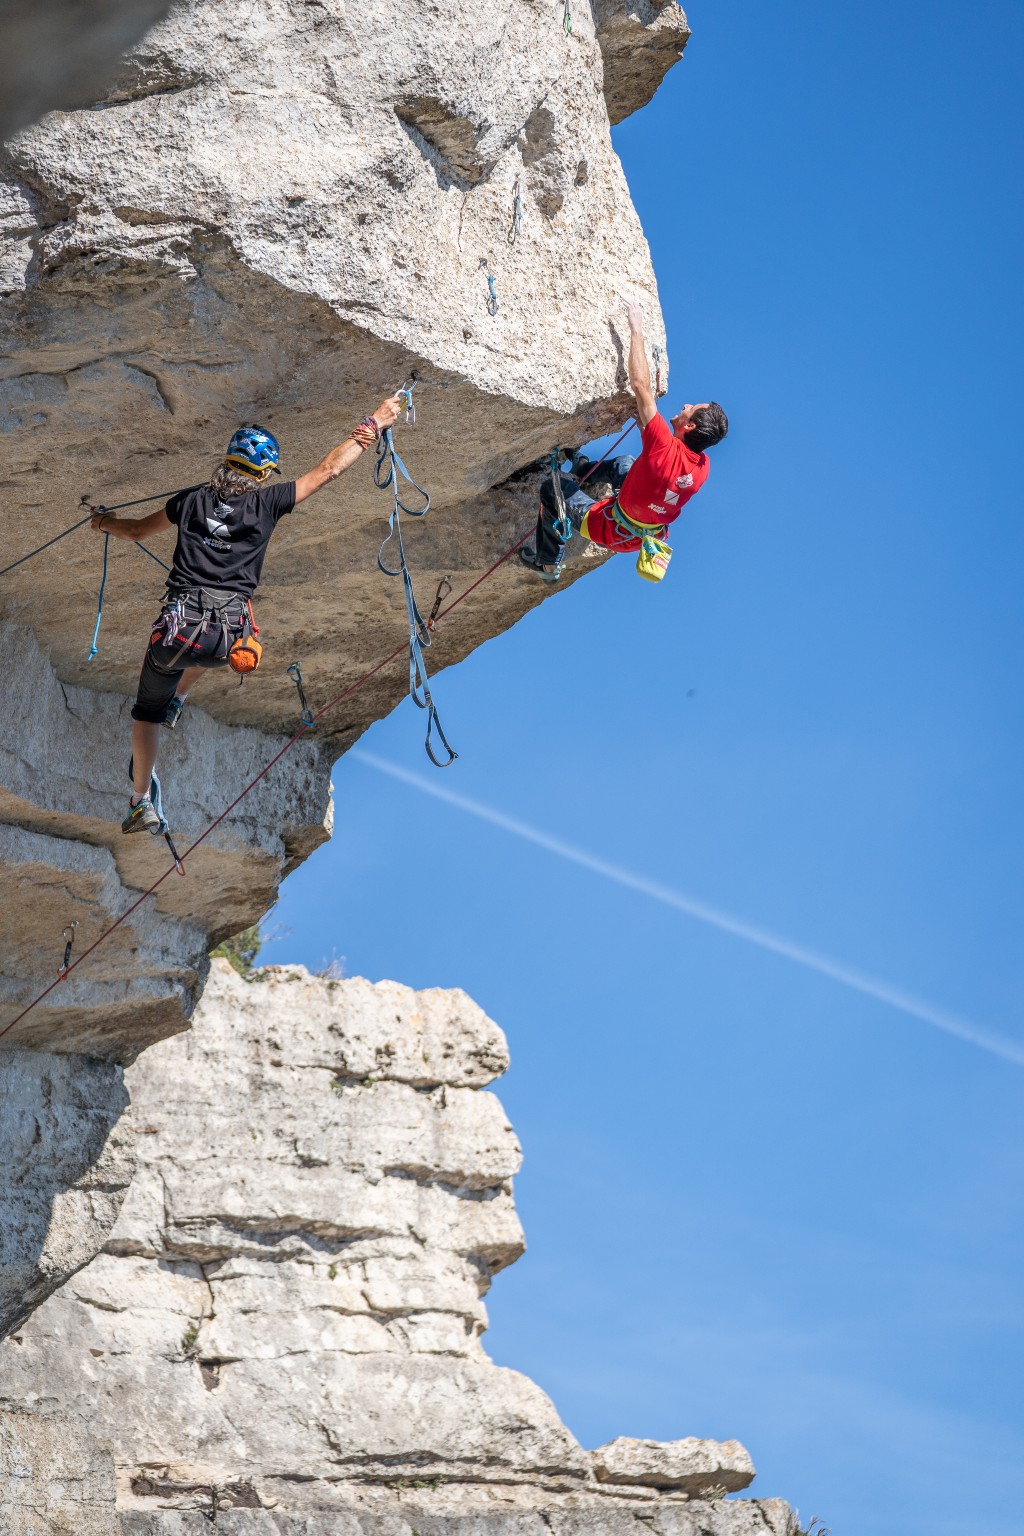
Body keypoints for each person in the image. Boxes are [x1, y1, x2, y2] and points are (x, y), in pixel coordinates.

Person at [91, 395, 404, 835]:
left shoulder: (189, 501)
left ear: (227, 459)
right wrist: (374, 423)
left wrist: (102, 522)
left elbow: (137, 530)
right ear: (265, 472)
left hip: (175, 631)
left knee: (147, 713)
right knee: (202, 656)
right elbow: (330, 469)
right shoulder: (268, 503)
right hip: (227, 642)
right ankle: (179, 700)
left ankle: (141, 800)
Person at [520, 299, 728, 580]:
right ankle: (583, 470)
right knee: (626, 464)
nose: (686, 404)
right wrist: (645, 418)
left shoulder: (663, 446)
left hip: (607, 527)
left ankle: (547, 562)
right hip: (641, 532)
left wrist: (636, 329)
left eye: (690, 409)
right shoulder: (702, 466)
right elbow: (653, 443)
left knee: (550, 489)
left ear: (689, 426)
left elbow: (640, 386)